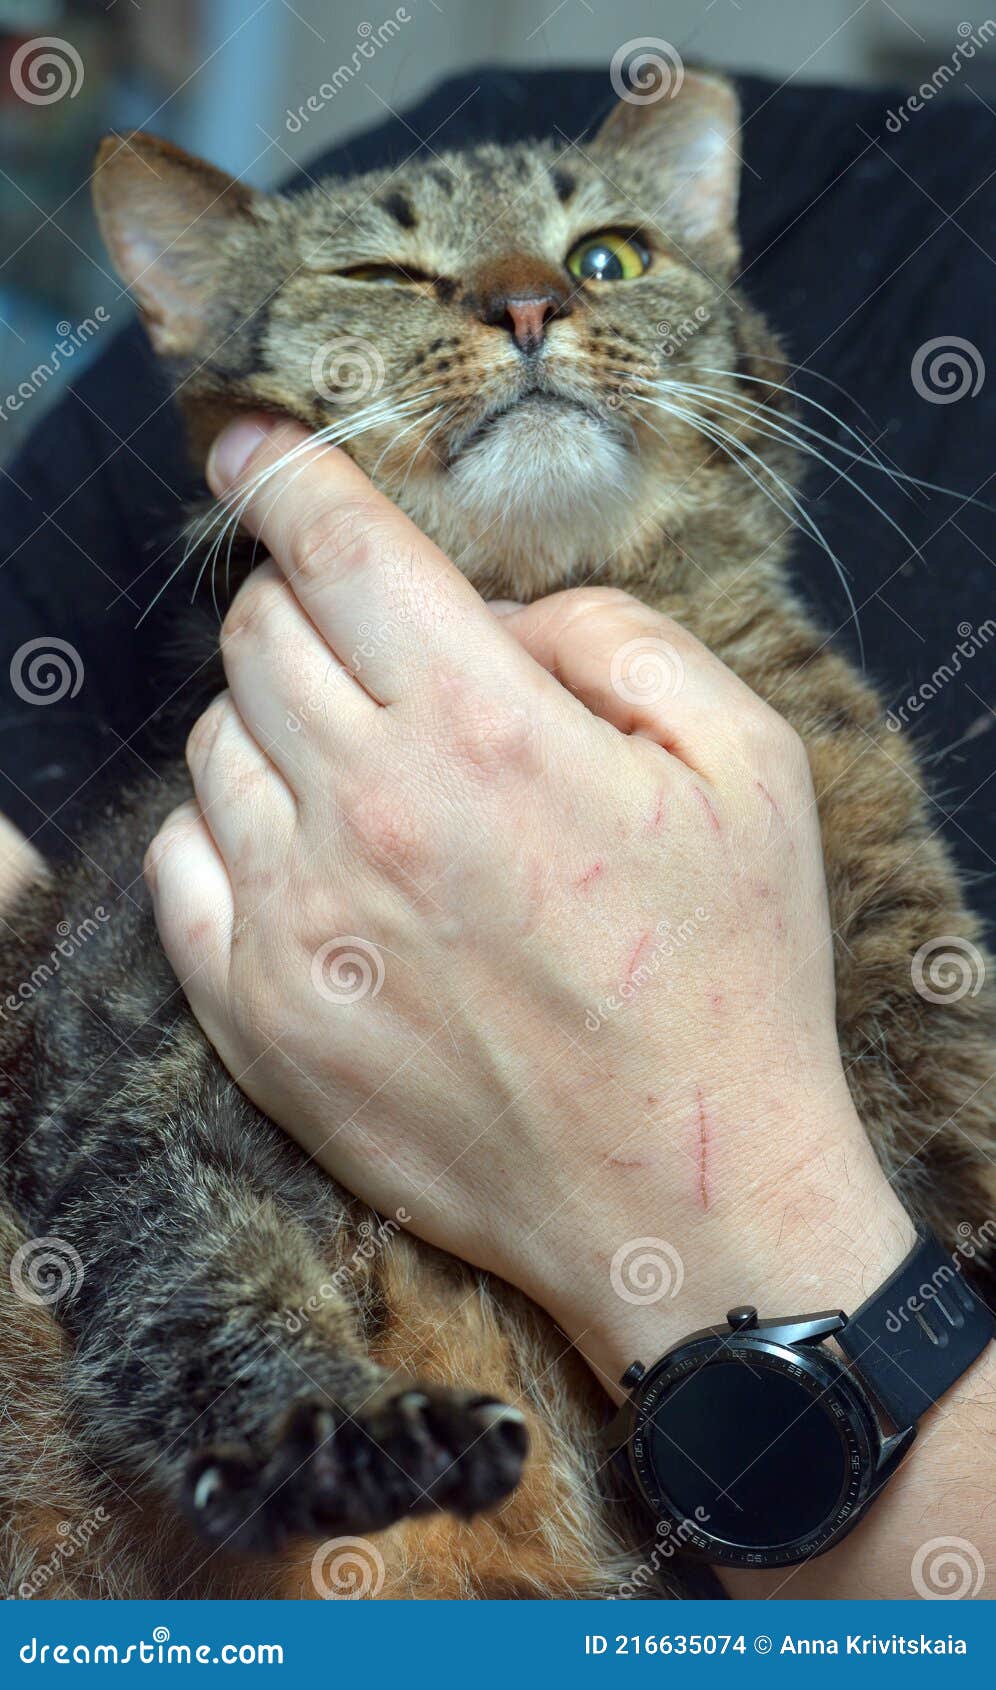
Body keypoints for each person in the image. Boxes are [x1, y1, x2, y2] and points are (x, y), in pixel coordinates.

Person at [1, 67, 993, 1601]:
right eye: (393, 278)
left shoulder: (824, 744)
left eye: (608, 259)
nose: (526, 303)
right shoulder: (182, 813)